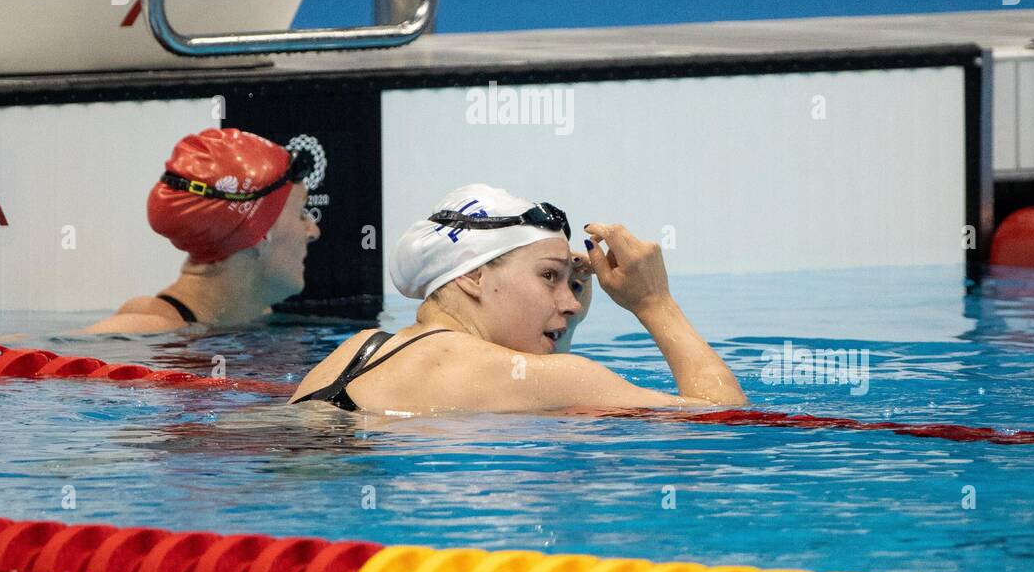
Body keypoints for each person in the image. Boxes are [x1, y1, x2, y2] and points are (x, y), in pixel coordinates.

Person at [290, 184, 747, 414]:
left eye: (571, 283)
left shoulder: (359, 349)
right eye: (549, 276)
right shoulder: (557, 379)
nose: (569, 303)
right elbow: (721, 419)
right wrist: (655, 304)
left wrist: (563, 328)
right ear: (472, 276)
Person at [82, 128, 320, 333]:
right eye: (301, 214)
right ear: (258, 236)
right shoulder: (147, 328)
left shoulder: (254, 321)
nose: (313, 231)